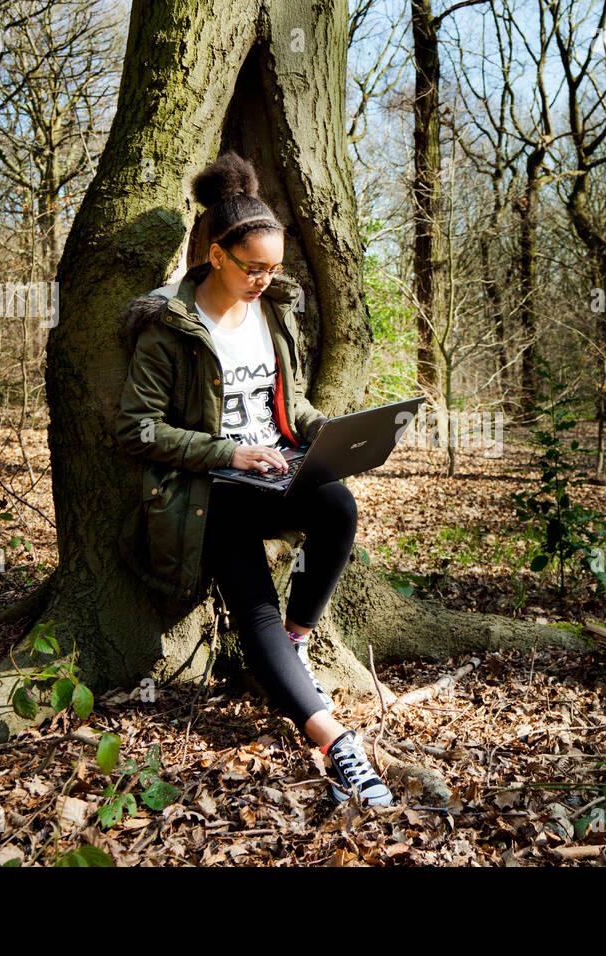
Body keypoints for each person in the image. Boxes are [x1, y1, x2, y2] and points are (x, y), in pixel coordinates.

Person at [115, 150, 392, 808]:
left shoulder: (273, 316)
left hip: (278, 472)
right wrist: (228, 454)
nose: (267, 280)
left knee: (338, 507)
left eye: (274, 268)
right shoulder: (169, 329)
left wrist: (329, 431)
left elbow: (285, 406)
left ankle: (298, 638)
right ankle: (336, 743)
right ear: (216, 255)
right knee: (253, 607)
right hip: (209, 495)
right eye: (254, 268)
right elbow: (136, 430)